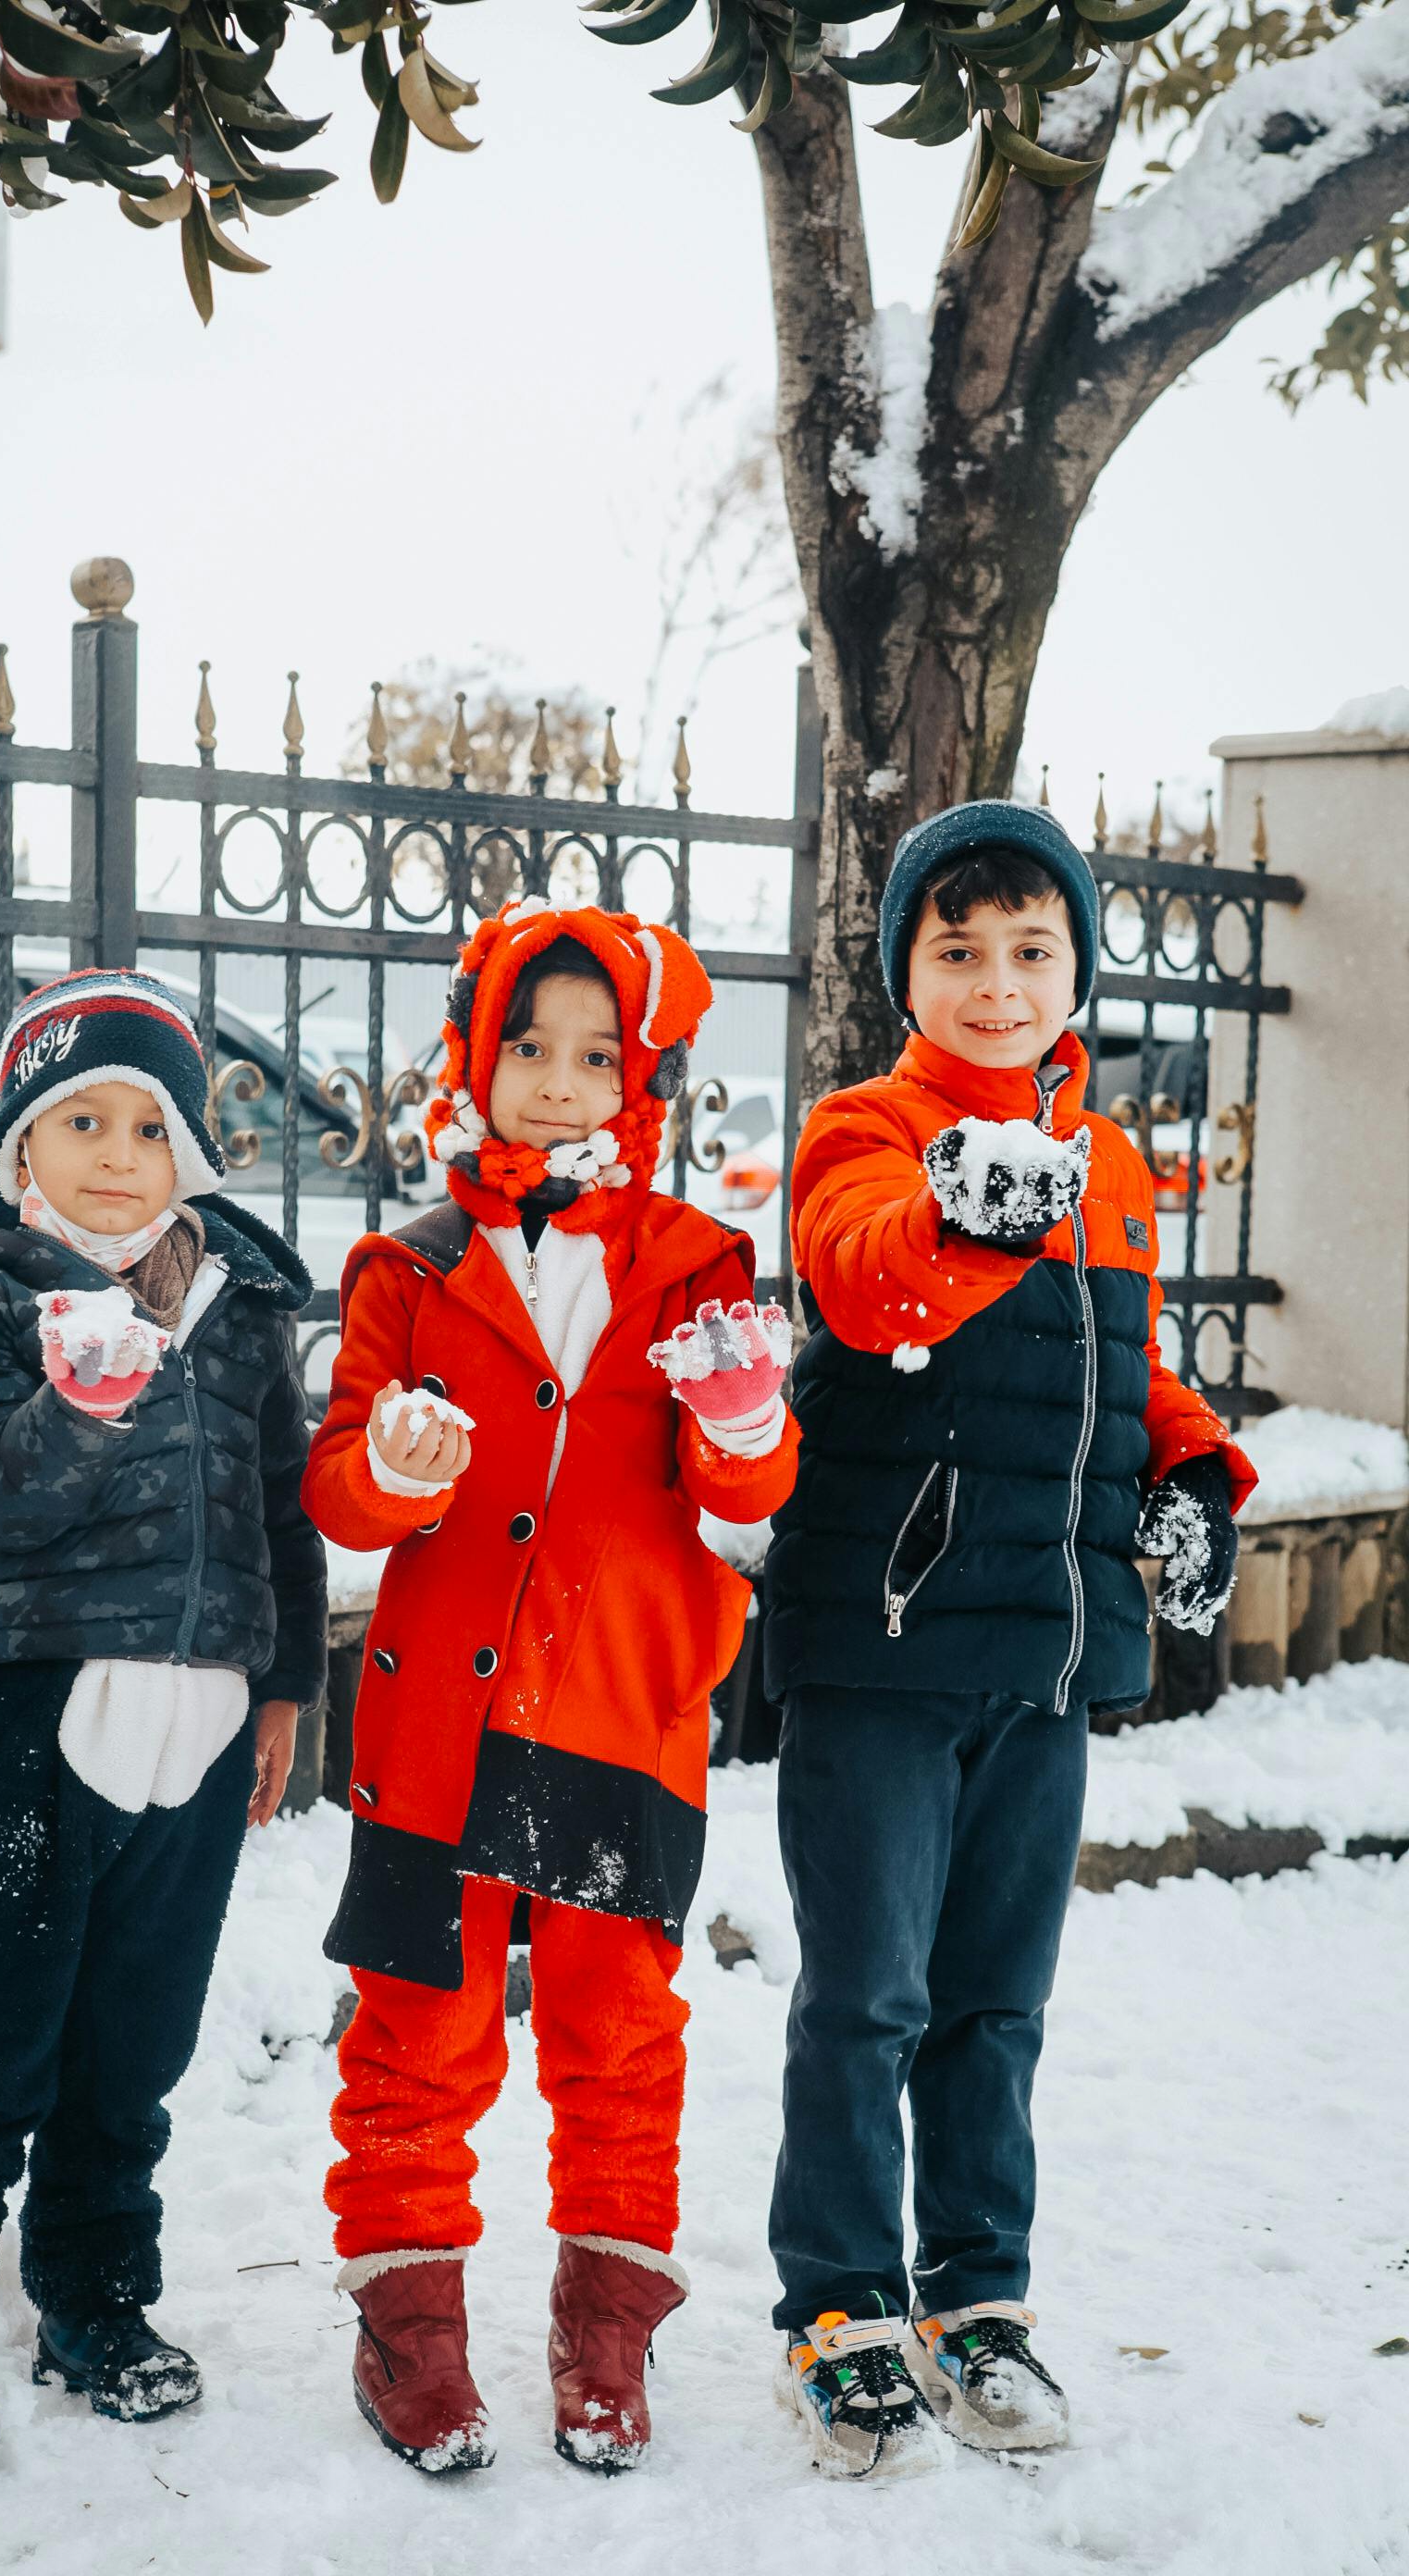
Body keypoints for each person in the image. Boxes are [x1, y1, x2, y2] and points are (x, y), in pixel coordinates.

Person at [762, 801, 1257, 2480]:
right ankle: (839, 2305)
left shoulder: (1109, 1163)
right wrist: (968, 1215)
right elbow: (865, 1289)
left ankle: (981, 2298)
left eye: (1030, 950)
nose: (996, 982)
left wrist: (1194, 1463)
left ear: (1078, 972)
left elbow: (1120, 1367)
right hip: (884, 1649)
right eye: (958, 950)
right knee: (871, 1997)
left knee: (998, 2002)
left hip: (1045, 1662)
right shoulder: (866, 1132)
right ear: (908, 970)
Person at [303, 899, 799, 2477]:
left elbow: (750, 1486)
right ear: (475, 1057)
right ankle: (411, 2327)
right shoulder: (409, 1264)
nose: (561, 1081)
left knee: (617, 2037)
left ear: (641, 1083)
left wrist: (736, 1416)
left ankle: (605, 2334)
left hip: (621, 1712)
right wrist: (386, 1472)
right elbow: (338, 1492)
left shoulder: (697, 1263)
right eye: (530, 1046)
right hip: (436, 1725)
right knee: (416, 2035)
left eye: (599, 1055)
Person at [0, 967, 327, 2458]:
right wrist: (78, 1400)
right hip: (31, 1710)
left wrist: (288, 1684)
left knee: (135, 2037)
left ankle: (95, 2289)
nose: (119, 1153)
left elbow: (279, 1510)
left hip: (197, 1726)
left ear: (188, 1147)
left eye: (148, 1123)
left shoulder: (239, 1306)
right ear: (21, 1147)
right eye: (82, 1121)